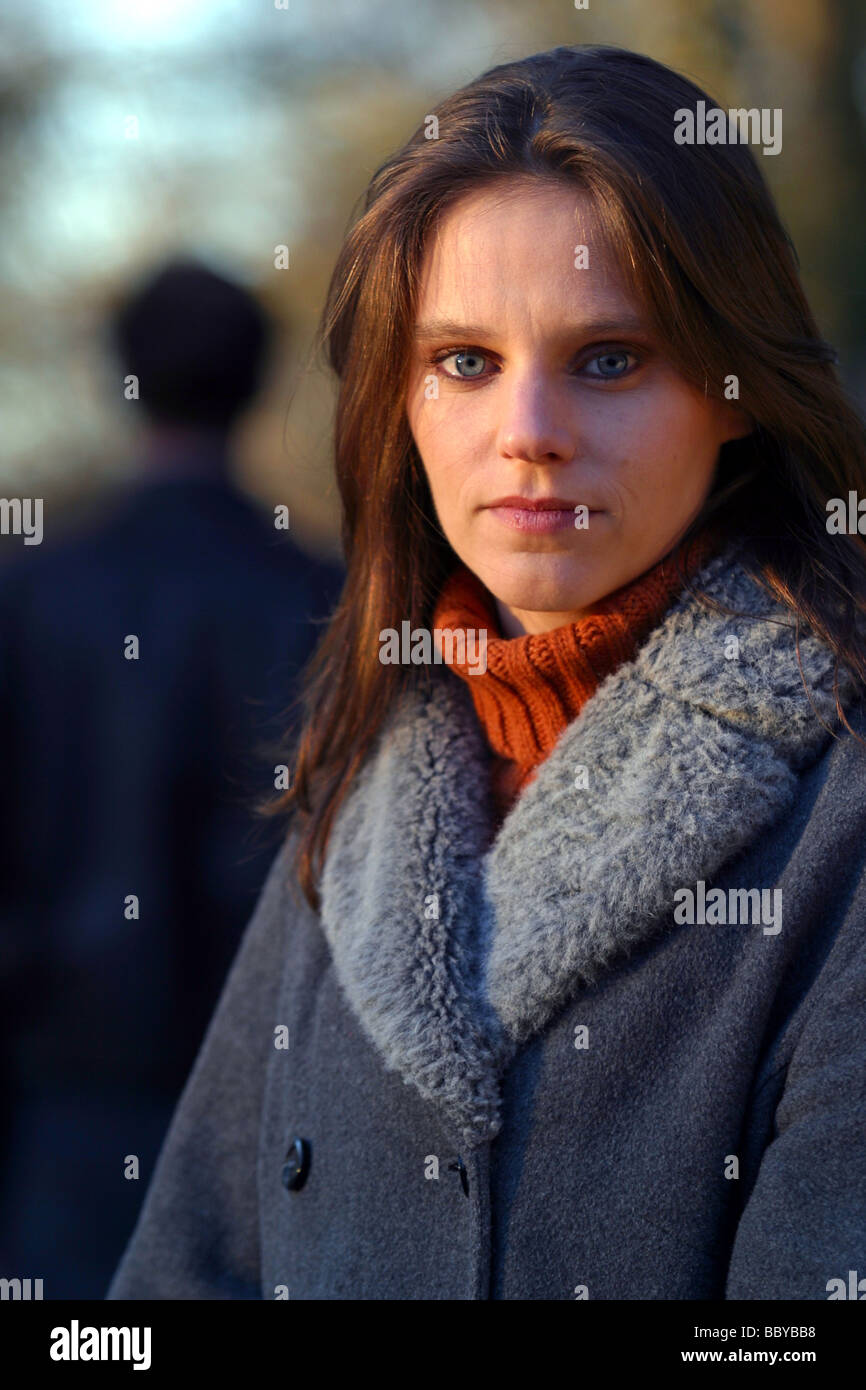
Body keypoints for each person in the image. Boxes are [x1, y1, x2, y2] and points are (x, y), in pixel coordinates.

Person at [106, 46, 866, 1301]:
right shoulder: (356, 786)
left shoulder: (836, 814)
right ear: (397, 400)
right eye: (463, 360)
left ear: (736, 388)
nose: (528, 435)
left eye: (608, 357)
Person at [0, 258, 343, 1297]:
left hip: (60, 1098)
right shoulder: (323, 598)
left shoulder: (31, 595)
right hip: (274, 1106)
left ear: (124, 379)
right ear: (256, 382)